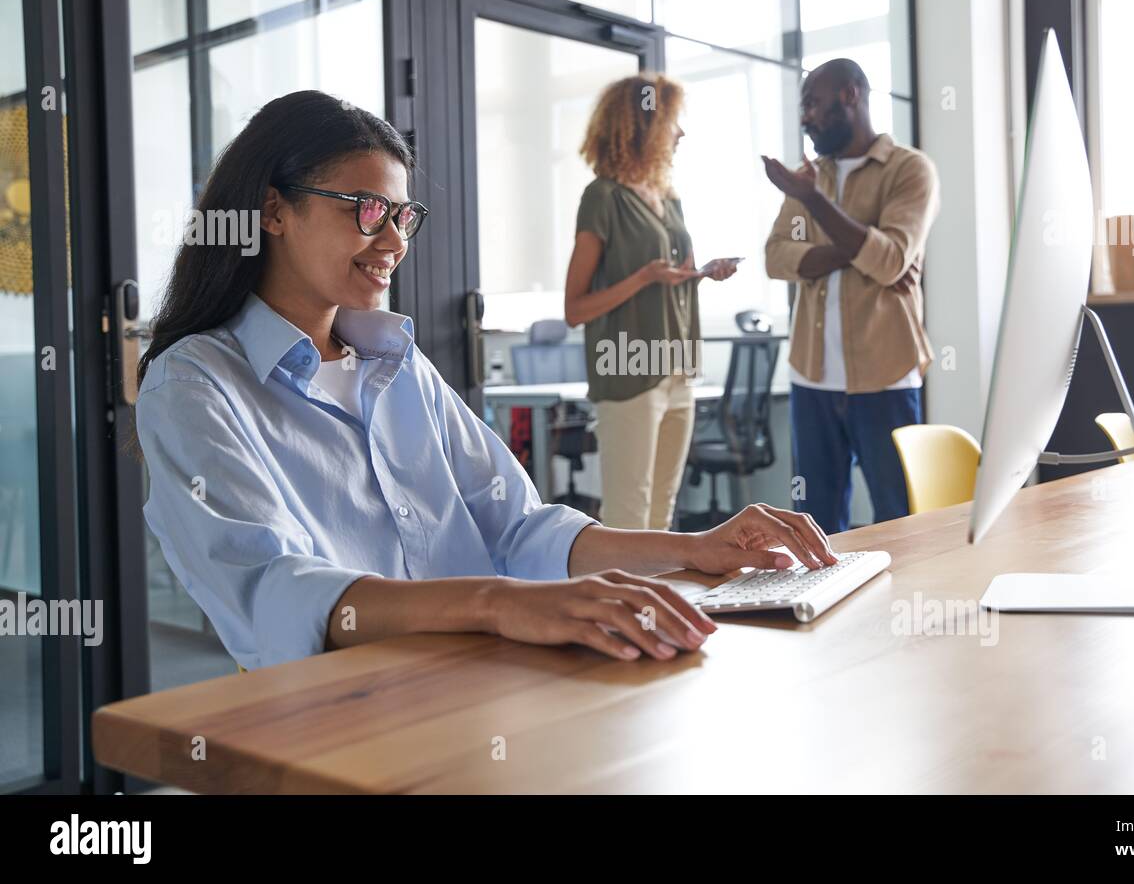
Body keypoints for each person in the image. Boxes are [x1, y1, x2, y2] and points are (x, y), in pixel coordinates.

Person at [135, 90, 832, 671]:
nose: (395, 242)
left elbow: (519, 527)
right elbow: (273, 590)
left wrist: (695, 548)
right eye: (367, 210)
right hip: (347, 714)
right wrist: (500, 603)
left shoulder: (397, 364)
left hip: (486, 679)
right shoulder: (195, 387)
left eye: (403, 216)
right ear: (274, 210)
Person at [761, 59, 939, 531]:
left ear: (850, 96)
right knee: (815, 525)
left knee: (899, 519)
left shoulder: (909, 169)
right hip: (812, 377)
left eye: (813, 104)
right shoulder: (808, 175)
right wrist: (859, 245)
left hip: (886, 375)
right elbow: (776, 258)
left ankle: (903, 606)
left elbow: (890, 260)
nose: (805, 118)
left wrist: (818, 205)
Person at [564, 74, 738, 530]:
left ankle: (656, 602)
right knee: (628, 512)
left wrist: (703, 273)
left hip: (677, 366)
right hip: (627, 369)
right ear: (640, 127)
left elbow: (678, 275)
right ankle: (617, 603)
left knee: (662, 511)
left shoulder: (669, 199)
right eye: (672, 123)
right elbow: (575, 308)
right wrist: (643, 278)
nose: (680, 133)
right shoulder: (601, 198)